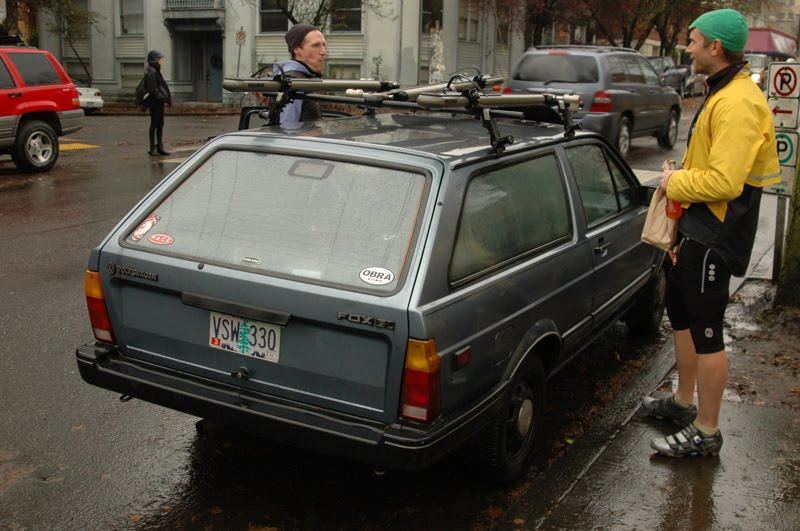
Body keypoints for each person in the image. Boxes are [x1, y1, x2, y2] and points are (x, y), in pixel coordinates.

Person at [642, 8, 781, 457]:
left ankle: (707, 430)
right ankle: (684, 403)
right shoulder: (723, 90)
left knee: (705, 329)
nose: (688, 47)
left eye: (693, 40)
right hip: (699, 224)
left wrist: (672, 182)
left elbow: (725, 182)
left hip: (718, 231)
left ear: (715, 47)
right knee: (680, 312)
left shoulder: (738, 101)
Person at [272, 24, 326, 125]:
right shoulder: (294, 82)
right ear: (297, 49)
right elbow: (288, 129)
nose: (323, 52)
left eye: (324, 45)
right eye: (316, 45)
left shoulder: (302, 78)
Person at [143, 50, 172, 156]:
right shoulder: (151, 71)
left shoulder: (155, 70)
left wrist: (166, 98)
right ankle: (153, 148)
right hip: (154, 102)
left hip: (158, 102)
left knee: (160, 124)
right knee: (155, 124)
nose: (161, 61)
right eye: (159, 59)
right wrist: (161, 97)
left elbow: (160, 86)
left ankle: (160, 147)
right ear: (154, 59)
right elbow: (152, 89)